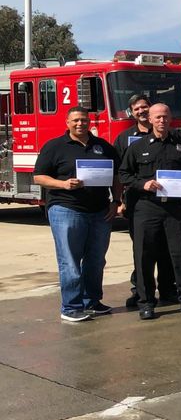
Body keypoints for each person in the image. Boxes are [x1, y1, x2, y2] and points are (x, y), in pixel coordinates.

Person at [34, 107, 120, 322]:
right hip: (66, 209)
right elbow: (39, 177)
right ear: (67, 122)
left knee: (96, 260)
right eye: (75, 120)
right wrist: (63, 184)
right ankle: (71, 307)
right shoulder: (54, 146)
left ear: (90, 122)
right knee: (70, 261)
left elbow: (116, 176)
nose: (80, 124)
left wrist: (116, 201)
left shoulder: (103, 146)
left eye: (84, 120)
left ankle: (91, 301)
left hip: (100, 211)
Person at [117, 103, 181, 320]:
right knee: (144, 256)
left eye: (165, 116)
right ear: (150, 119)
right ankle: (146, 302)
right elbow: (124, 174)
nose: (161, 120)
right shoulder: (137, 147)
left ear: (170, 118)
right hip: (147, 208)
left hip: (175, 209)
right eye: (157, 117)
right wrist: (142, 184)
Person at [114, 93, 173, 309]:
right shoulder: (124, 138)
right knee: (142, 250)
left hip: (168, 204)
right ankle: (139, 291)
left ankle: (168, 289)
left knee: (167, 249)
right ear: (132, 112)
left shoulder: (169, 135)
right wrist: (119, 201)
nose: (141, 111)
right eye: (136, 108)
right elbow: (120, 172)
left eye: (144, 107)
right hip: (138, 203)